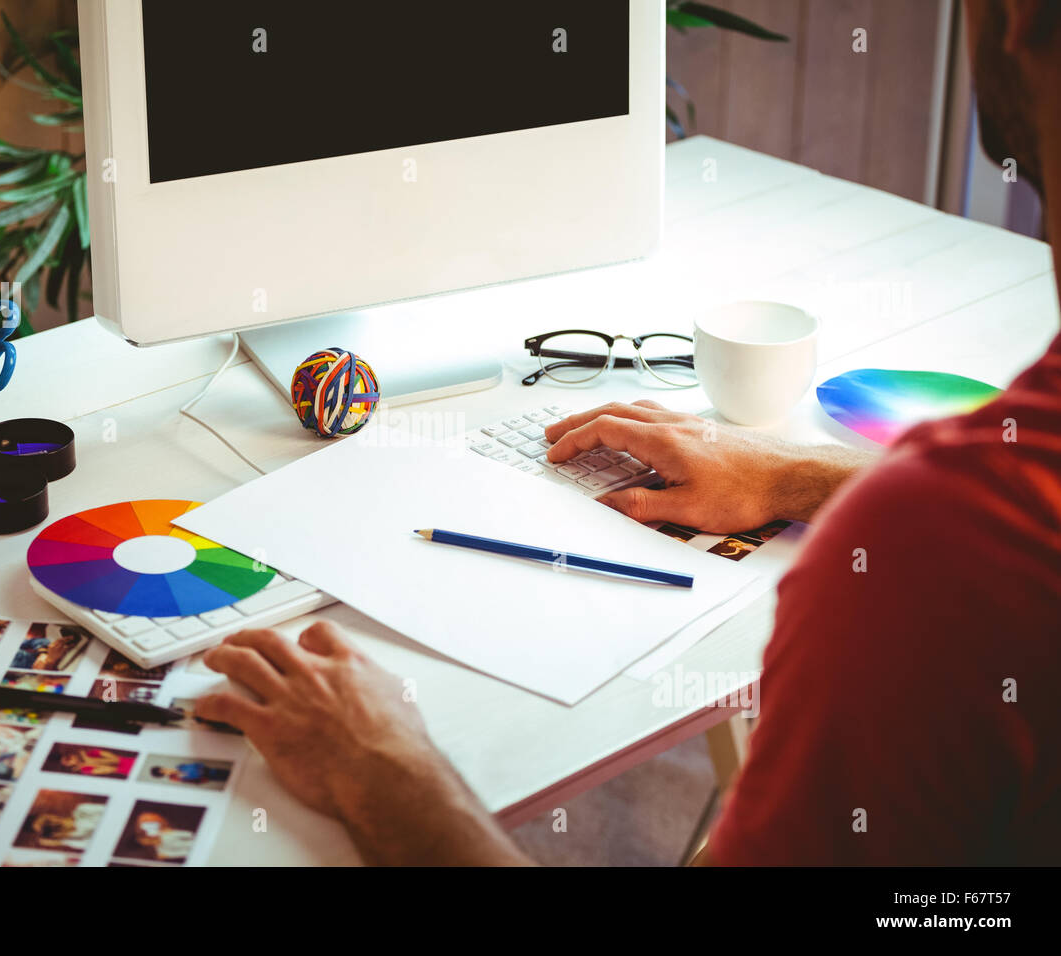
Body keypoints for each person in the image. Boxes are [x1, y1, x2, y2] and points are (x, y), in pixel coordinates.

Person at [192, 0, 1061, 866]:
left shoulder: (941, 561)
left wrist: (384, 772)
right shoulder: (980, 522)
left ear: (1015, 17)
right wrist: (798, 474)